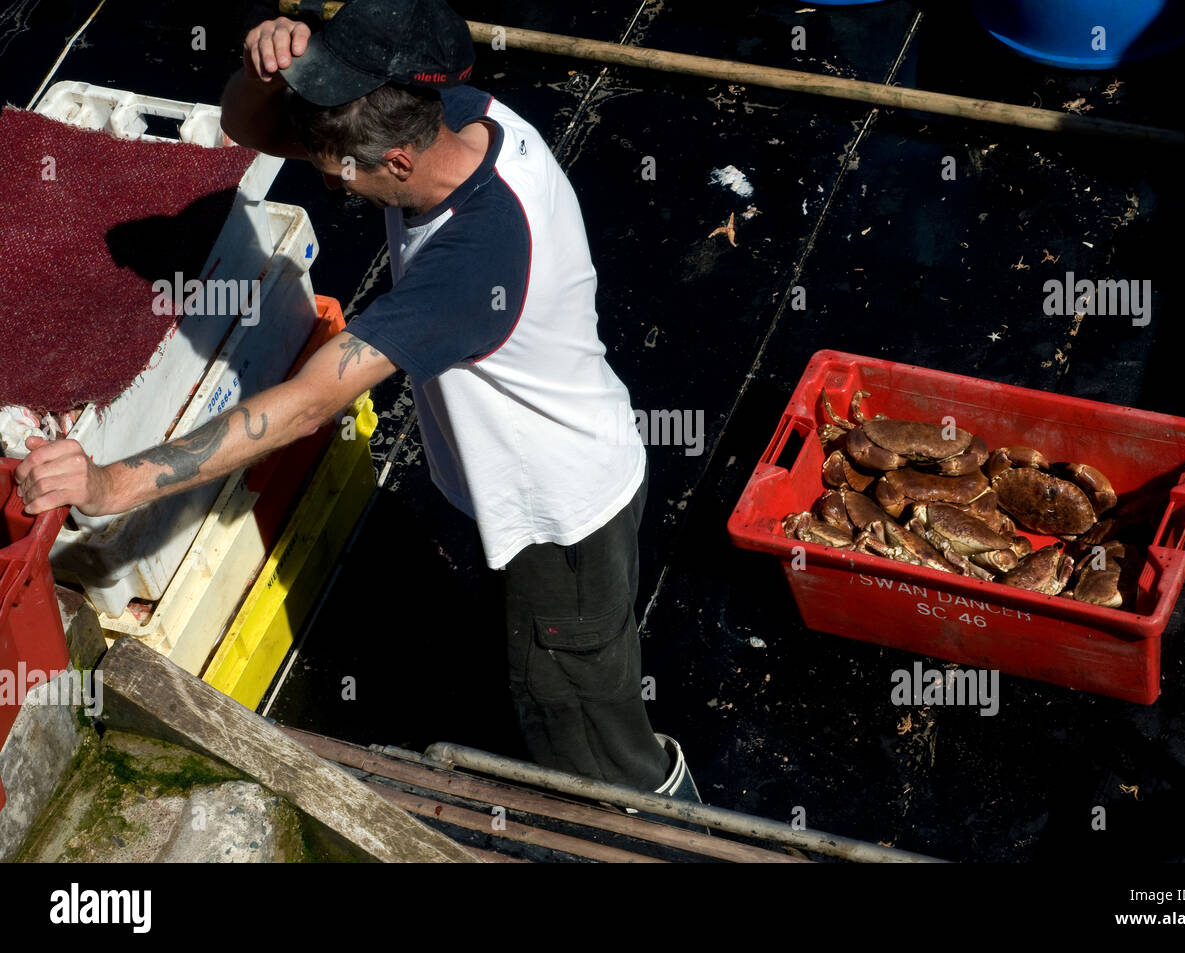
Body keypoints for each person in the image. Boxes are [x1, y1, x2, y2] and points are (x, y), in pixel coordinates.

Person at [16, 0, 699, 803]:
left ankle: (663, 834)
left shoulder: (472, 265)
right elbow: (252, 129)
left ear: (398, 162)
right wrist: (259, 68)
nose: (332, 178)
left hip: (563, 522)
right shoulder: (453, 116)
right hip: (526, 487)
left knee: (589, 738)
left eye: (344, 170)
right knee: (538, 673)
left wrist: (112, 486)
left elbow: (309, 402)